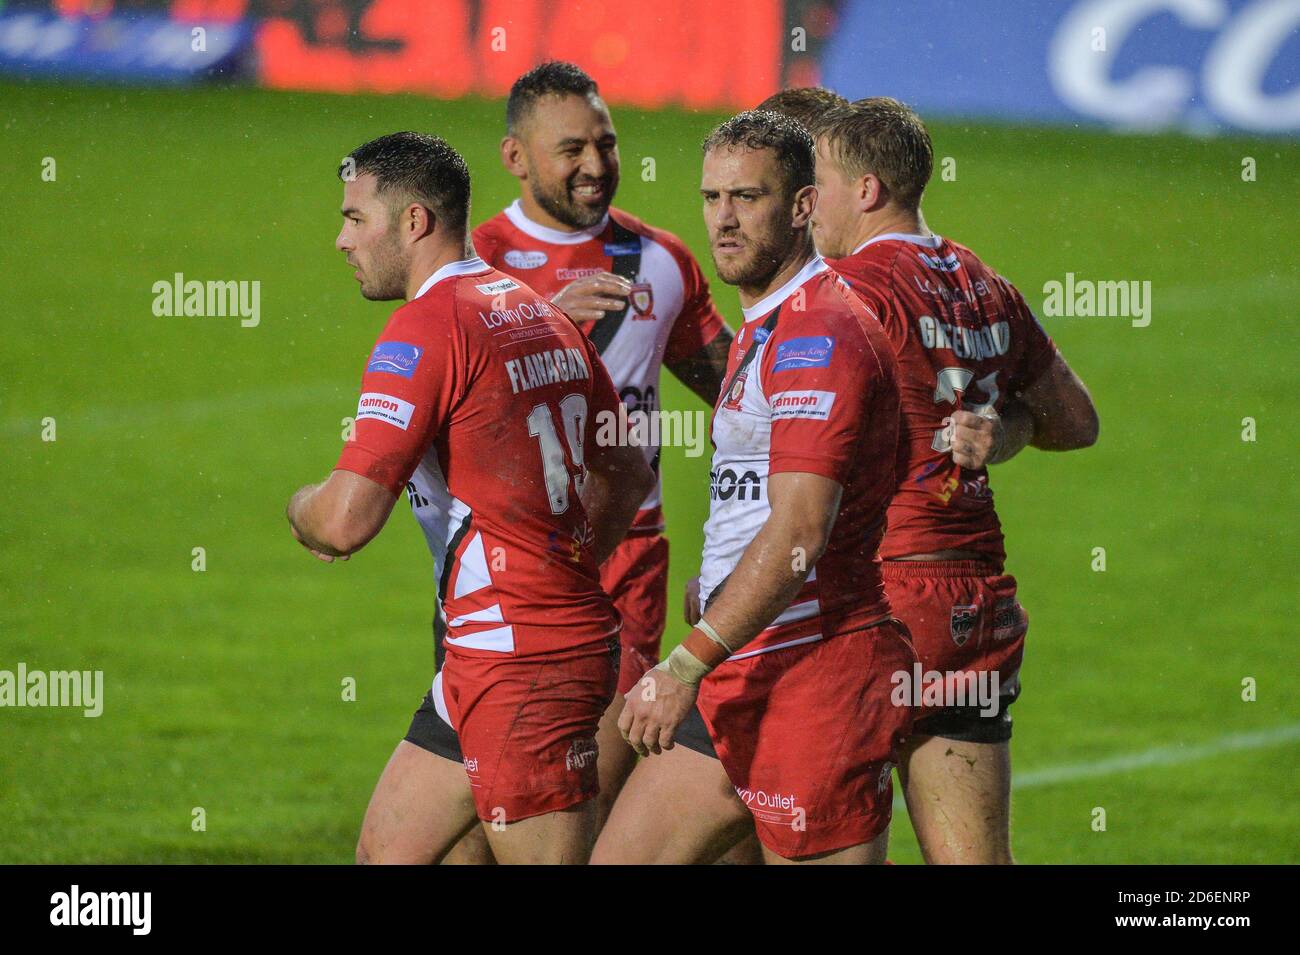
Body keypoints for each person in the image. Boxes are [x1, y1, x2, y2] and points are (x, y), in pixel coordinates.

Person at [285, 131, 653, 864]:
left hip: (523, 664)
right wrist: (565, 564)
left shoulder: (425, 329)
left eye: (356, 219)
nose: (340, 240)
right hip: (489, 652)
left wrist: (299, 507)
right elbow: (629, 470)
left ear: (413, 222)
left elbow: (344, 521)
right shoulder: (534, 308)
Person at [591, 111, 914, 865]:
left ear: (803, 206)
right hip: (745, 660)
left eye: (747, 197)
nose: (724, 220)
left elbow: (802, 531)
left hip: (815, 673)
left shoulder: (816, 333)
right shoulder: (768, 325)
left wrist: (683, 662)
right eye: (711, 198)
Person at [434, 63, 732, 861]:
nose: (596, 165)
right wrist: (534, 326)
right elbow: (424, 417)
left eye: (607, 142)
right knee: (475, 827)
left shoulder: (661, 262)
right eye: (572, 148)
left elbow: (740, 397)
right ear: (515, 156)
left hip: (617, 577)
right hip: (491, 579)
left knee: (568, 810)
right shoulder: (471, 268)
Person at [813, 97, 1099, 863]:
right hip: (973, 606)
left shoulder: (845, 290)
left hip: (876, 598)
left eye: (820, 184)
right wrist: (1004, 430)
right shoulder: (981, 279)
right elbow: (1076, 419)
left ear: (866, 190)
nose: (809, 206)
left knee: (699, 812)